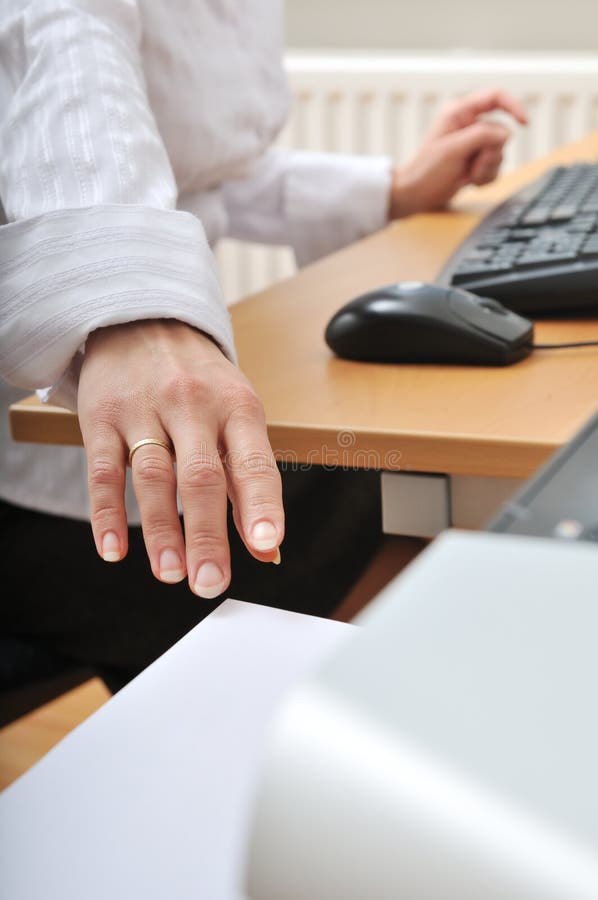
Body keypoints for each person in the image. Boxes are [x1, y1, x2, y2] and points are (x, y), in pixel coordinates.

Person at [0, 1, 527, 688]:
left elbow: (202, 170)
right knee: (390, 510)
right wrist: (125, 303)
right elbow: (57, 35)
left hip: (139, 416)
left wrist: (389, 189)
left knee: (398, 474)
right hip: (37, 476)